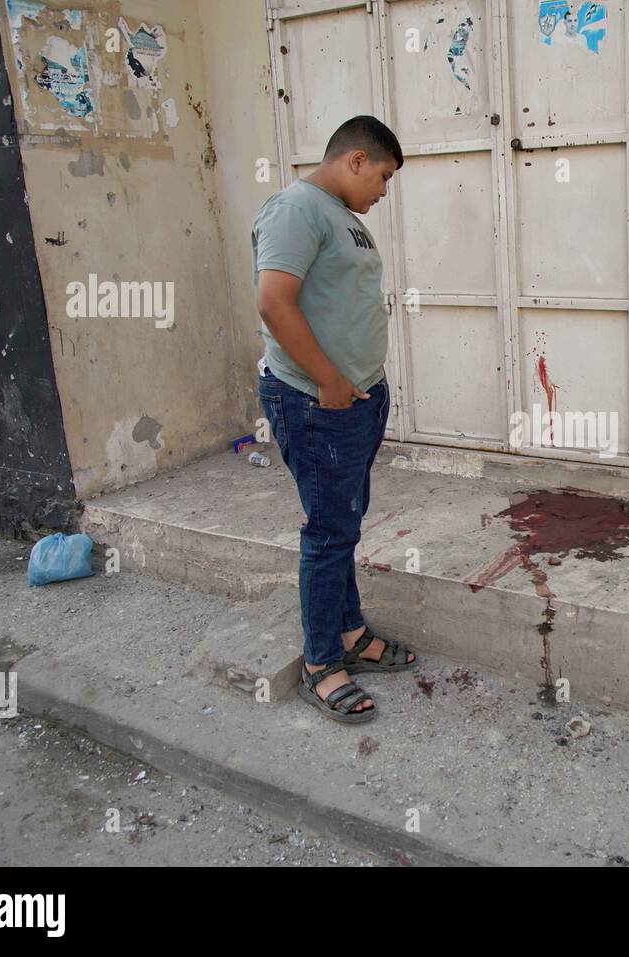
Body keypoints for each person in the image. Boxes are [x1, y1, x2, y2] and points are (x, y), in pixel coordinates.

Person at [251, 115, 417, 725]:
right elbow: (273, 300)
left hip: (354, 399)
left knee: (344, 522)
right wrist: (328, 381)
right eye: (383, 175)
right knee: (327, 532)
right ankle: (321, 662)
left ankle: (349, 633)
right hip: (317, 402)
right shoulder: (297, 209)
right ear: (354, 159)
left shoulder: (340, 217)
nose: (384, 190)